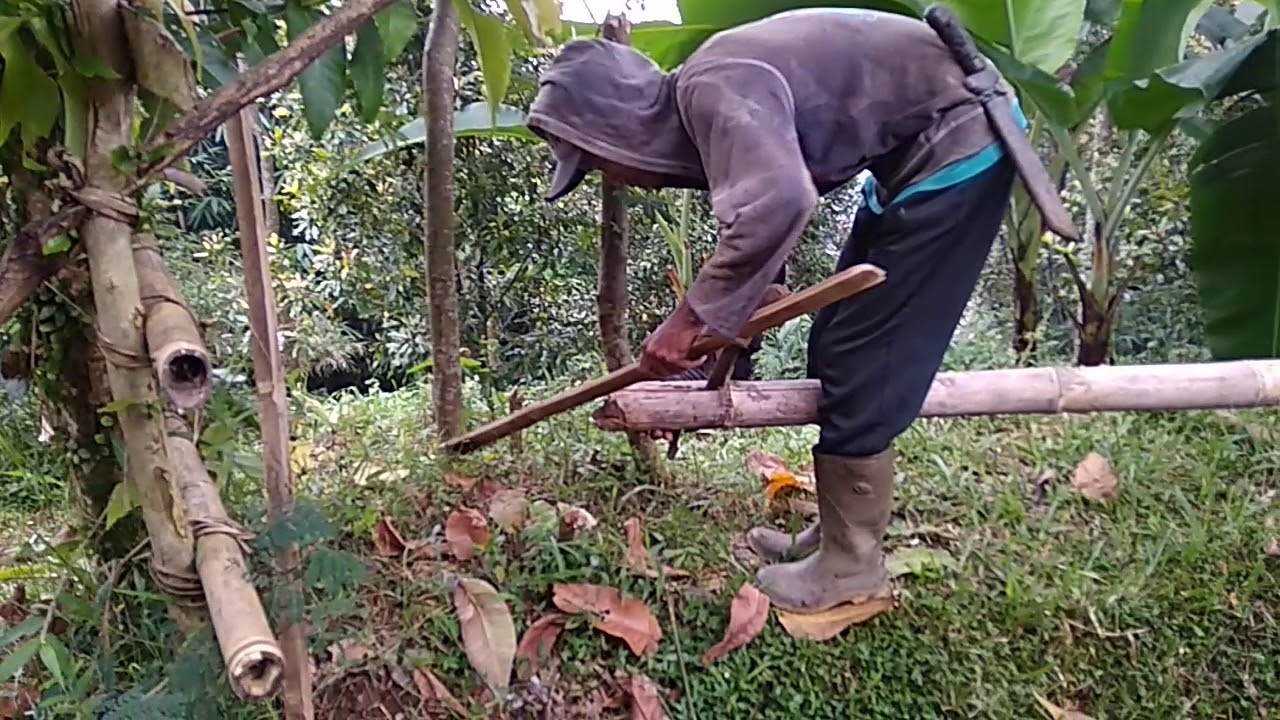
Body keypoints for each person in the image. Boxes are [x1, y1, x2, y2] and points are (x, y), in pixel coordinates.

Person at [524, 8, 1044, 614]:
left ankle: (853, 566)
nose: (615, 180)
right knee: (835, 339)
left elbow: (780, 205)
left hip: (959, 143)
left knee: (867, 358)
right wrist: (714, 344)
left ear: (618, 127)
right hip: (915, 157)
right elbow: (765, 226)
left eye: (596, 163)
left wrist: (688, 320)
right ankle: (833, 534)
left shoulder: (711, 88)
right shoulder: (710, 100)